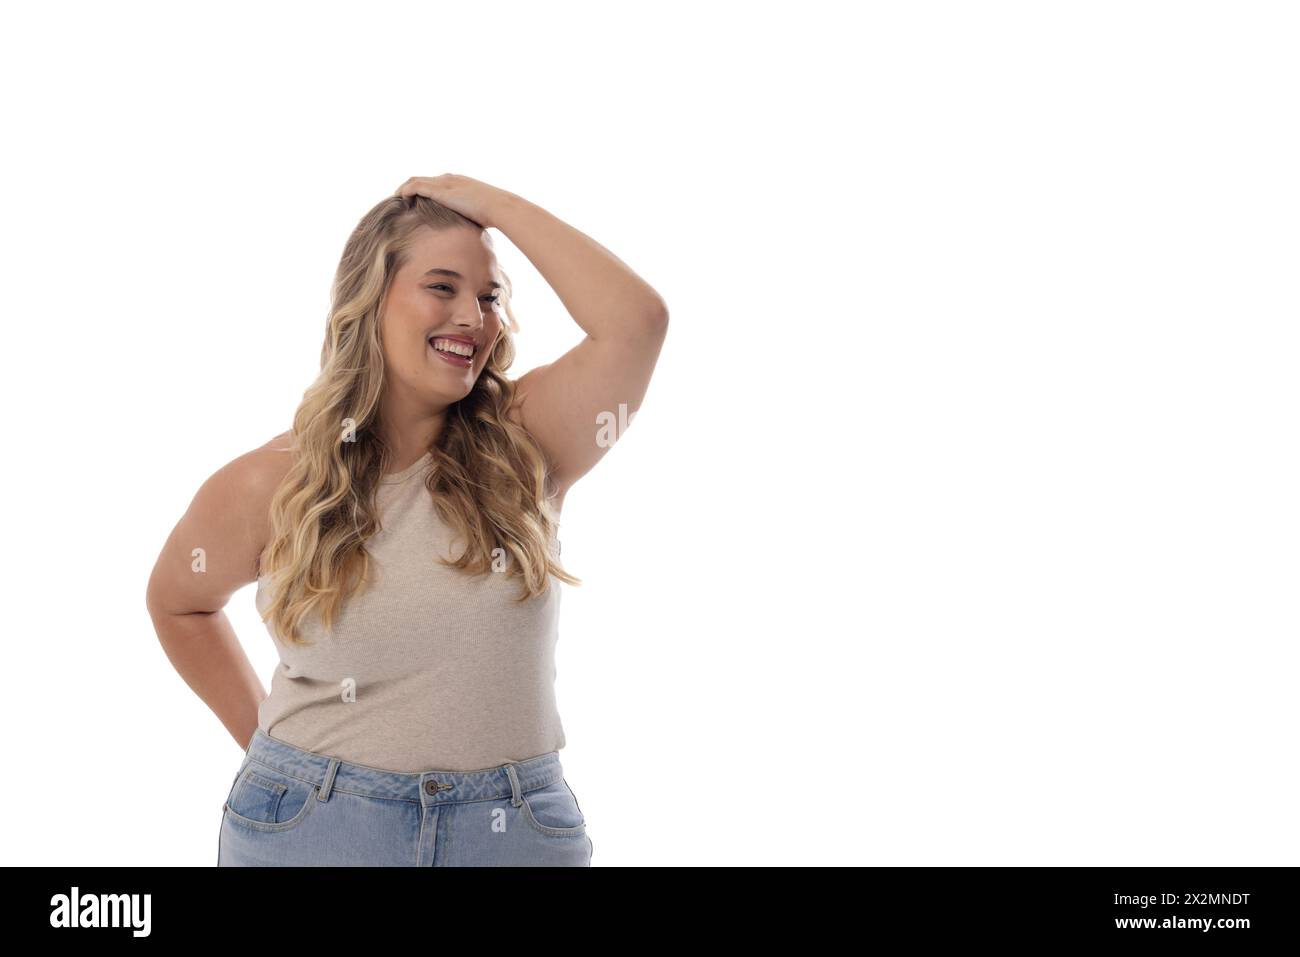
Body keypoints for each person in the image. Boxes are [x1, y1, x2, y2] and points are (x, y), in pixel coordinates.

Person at [145, 174, 669, 866]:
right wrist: (275, 754)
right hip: (316, 832)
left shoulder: (529, 439)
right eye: (441, 287)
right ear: (371, 298)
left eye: (488, 297)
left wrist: (492, 205)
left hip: (508, 834)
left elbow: (638, 322)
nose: (473, 319)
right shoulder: (269, 481)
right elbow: (179, 601)